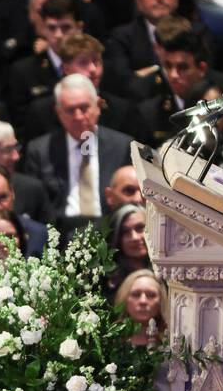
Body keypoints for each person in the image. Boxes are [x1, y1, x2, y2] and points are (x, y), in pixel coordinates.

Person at [24, 74, 134, 229]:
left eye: (84, 108)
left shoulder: (123, 146)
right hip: (60, 233)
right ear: (58, 112)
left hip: (111, 229)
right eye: (70, 110)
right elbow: (36, 205)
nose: (78, 116)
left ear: (97, 105)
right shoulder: (39, 151)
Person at [116, 268, 168, 345]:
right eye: (136, 294)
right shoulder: (109, 341)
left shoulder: (171, 343)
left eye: (151, 295)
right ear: (124, 298)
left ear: (161, 301)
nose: (143, 301)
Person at [107, 204, 150, 295]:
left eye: (140, 228)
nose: (134, 238)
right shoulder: (107, 283)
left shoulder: (169, 275)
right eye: (125, 232)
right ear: (117, 238)